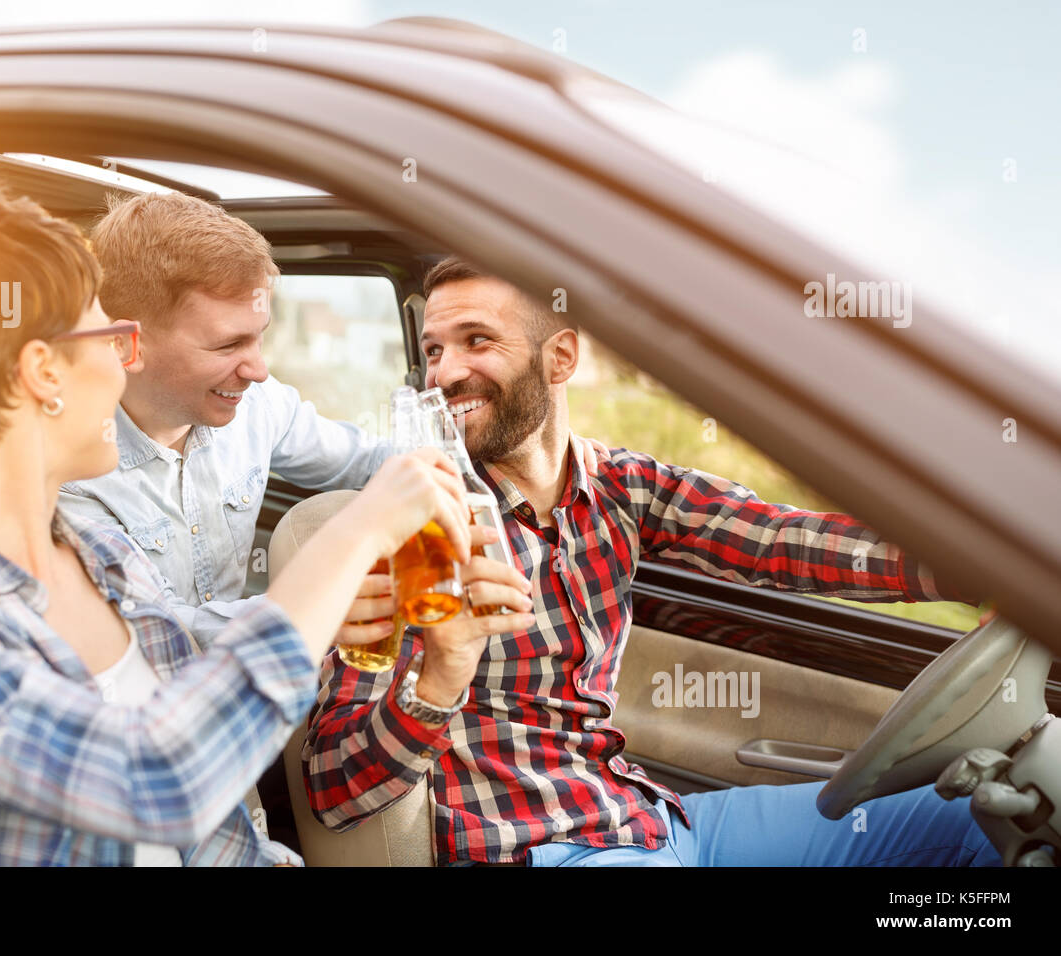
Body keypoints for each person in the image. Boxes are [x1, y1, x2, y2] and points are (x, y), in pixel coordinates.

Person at [0, 190, 533, 866]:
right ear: (45, 372)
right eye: (105, 335)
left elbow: (209, 777)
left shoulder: (95, 556)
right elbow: (157, 780)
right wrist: (349, 542)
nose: (122, 365)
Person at [303, 256, 1002, 867]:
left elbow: (776, 540)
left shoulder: (622, 486)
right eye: (433, 350)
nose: (445, 373)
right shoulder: (412, 529)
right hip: (544, 849)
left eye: (476, 341)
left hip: (652, 821)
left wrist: (960, 573)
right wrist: (439, 678)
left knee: (985, 819)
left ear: (561, 359)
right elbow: (334, 789)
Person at [56, 191, 603, 648]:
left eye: (260, 336)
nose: (258, 368)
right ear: (128, 345)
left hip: (259, 682)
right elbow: (157, 632)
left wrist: (512, 451)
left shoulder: (259, 404)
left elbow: (368, 461)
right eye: (229, 344)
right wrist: (313, 609)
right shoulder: (68, 470)